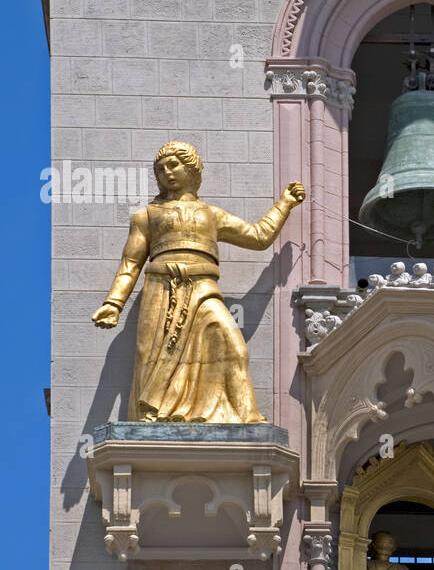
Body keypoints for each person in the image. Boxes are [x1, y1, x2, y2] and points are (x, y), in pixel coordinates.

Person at [92, 141, 304, 422]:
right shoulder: (147, 215)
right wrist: (114, 303)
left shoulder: (211, 215)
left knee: (234, 347)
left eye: (173, 165)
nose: (166, 173)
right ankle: (154, 414)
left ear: (191, 168)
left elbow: (258, 237)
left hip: (204, 288)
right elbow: (131, 263)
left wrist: (285, 204)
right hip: (161, 289)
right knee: (155, 356)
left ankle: (247, 416)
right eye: (160, 169)